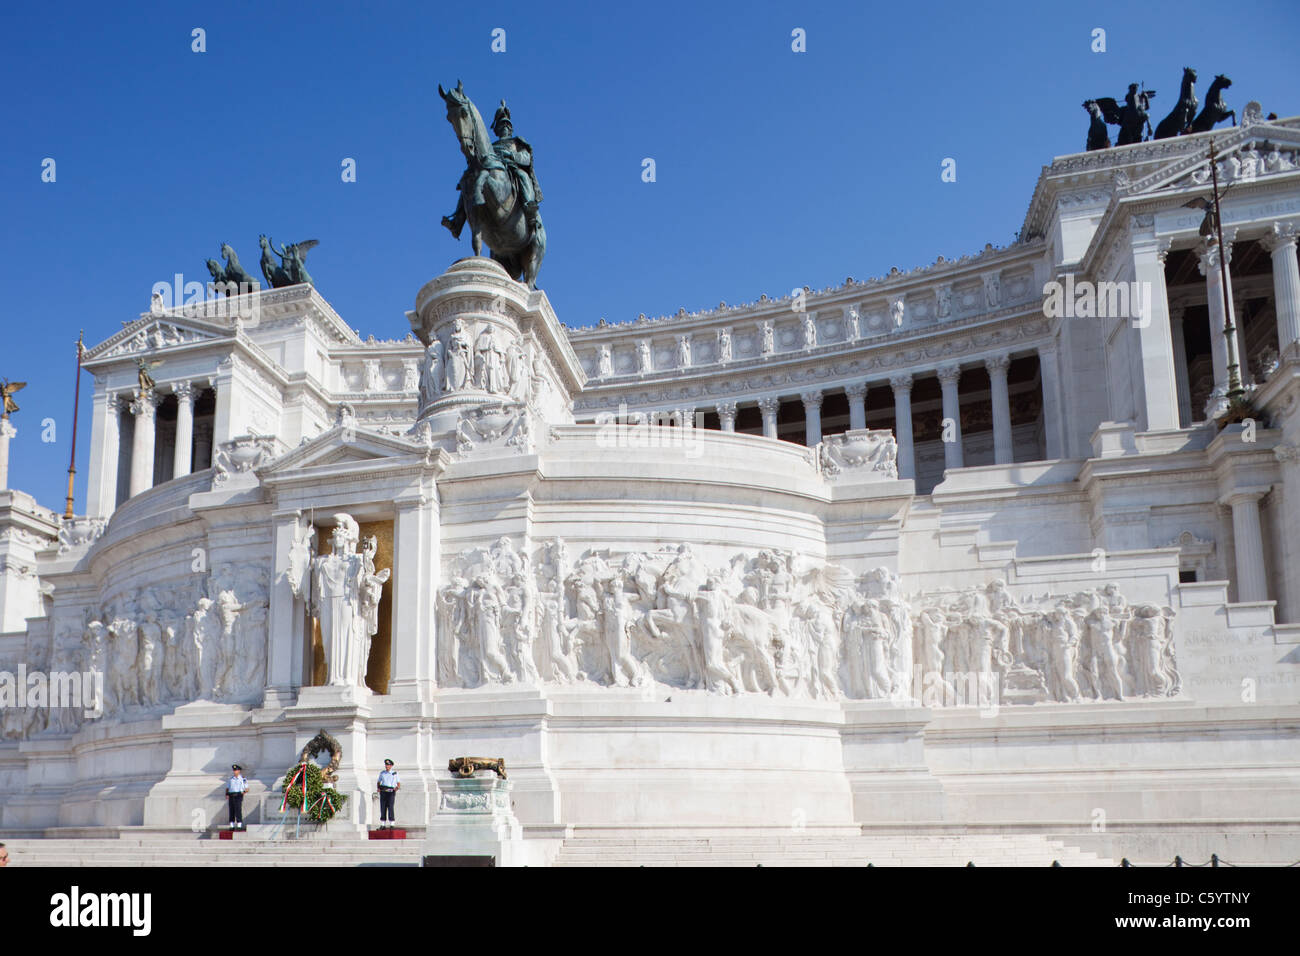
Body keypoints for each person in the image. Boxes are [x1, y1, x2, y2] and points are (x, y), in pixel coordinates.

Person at [377, 758, 400, 829]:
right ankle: (383, 824)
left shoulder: (394, 774)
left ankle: (392, 824)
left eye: (388, 765)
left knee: (390, 807)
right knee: (383, 807)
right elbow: (379, 781)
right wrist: (378, 788)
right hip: (383, 791)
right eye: (386, 765)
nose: (386, 766)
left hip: (390, 792)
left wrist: (396, 788)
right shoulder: (382, 773)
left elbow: (398, 783)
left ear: (391, 766)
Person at [226, 764, 248, 831]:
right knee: (231, 810)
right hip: (231, 795)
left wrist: (243, 793)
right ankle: (231, 825)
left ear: (239, 771)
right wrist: (227, 794)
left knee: (238, 810)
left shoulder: (243, 779)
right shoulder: (231, 779)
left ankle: (239, 824)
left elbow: (246, 788)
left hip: (238, 795)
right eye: (234, 770)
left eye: (236, 770)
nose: (235, 771)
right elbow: (228, 788)